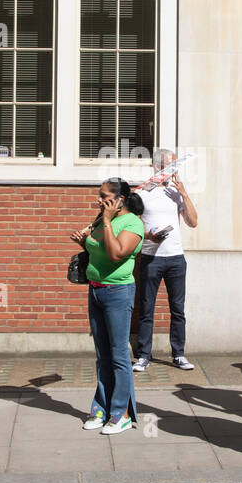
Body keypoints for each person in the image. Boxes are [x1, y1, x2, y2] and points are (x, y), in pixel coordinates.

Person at [70, 178, 145, 435]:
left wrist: (106, 222)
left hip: (118, 293)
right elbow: (98, 251)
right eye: (99, 196)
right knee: (102, 355)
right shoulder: (100, 219)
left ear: (119, 199)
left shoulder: (132, 223)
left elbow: (115, 255)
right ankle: (100, 409)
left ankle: (121, 413)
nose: (99, 200)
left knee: (119, 356)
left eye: (104, 196)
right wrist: (84, 241)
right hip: (96, 291)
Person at [133, 149, 199, 373]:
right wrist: (147, 234)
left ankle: (178, 354)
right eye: (171, 165)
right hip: (151, 257)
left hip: (175, 259)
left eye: (176, 165)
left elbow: (193, 222)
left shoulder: (175, 191)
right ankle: (143, 355)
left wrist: (184, 193)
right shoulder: (141, 193)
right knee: (146, 309)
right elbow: (131, 224)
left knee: (177, 309)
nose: (174, 170)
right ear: (158, 166)